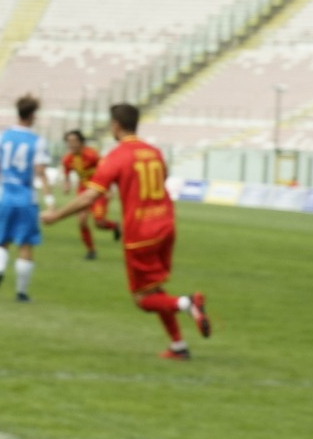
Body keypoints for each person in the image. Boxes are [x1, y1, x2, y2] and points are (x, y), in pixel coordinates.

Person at [43, 103, 210, 360]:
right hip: (166, 227)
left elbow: (90, 196)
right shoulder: (154, 152)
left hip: (140, 232)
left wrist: (55, 216)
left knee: (142, 299)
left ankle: (188, 304)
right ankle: (178, 347)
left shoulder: (117, 156)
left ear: (116, 125)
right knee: (155, 289)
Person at [0, 95, 52, 303]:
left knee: (0, 241)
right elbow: (40, 172)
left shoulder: (1, 136)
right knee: (25, 244)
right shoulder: (36, 141)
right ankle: (21, 293)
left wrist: (1, 184)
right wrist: (49, 199)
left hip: (4, 196)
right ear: (32, 115)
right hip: (26, 199)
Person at [61, 129, 121, 260]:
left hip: (98, 192)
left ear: (81, 141)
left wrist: (109, 190)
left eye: (74, 141)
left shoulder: (92, 154)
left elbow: (106, 170)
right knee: (82, 221)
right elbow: (66, 174)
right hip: (83, 191)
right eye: (68, 141)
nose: (71, 144)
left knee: (99, 223)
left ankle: (115, 226)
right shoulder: (68, 159)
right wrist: (66, 184)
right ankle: (91, 250)